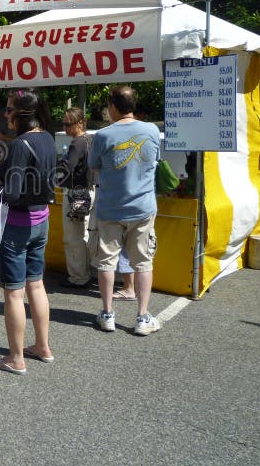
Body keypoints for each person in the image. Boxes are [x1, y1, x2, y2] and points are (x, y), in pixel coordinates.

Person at [0, 89, 56, 375]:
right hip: (42, 219)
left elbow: (14, 192)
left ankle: (16, 358)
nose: (6, 115)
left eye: (9, 110)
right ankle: (42, 346)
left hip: (17, 224)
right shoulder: (48, 139)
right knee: (37, 285)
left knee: (14, 293)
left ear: (22, 114)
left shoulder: (20, 145)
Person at [88, 85, 161, 335]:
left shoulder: (103, 135)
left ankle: (107, 313)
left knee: (106, 261)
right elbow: (155, 160)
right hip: (142, 207)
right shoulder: (152, 130)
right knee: (143, 261)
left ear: (114, 107)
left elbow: (94, 165)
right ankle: (142, 317)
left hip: (110, 207)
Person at [58, 107, 95, 290]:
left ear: (79, 123)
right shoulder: (90, 140)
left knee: (74, 236)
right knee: (85, 234)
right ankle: (87, 272)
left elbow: (67, 168)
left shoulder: (76, 143)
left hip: (76, 193)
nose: (64, 127)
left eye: (68, 124)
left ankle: (78, 276)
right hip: (89, 191)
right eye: (63, 123)